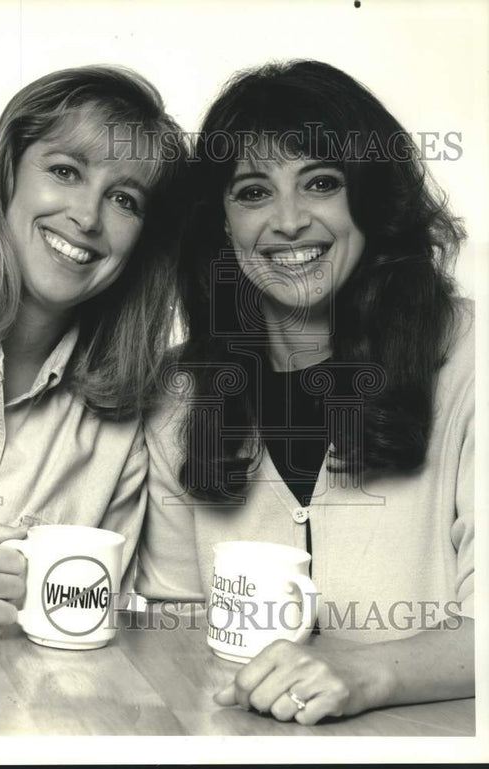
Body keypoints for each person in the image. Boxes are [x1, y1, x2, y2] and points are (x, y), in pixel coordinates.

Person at [136, 60, 474, 724]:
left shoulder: (470, 358)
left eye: (320, 182)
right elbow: (174, 623)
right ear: (223, 226)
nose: (287, 221)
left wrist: (365, 670)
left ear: (372, 201)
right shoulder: (180, 395)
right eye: (253, 192)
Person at [0, 65, 186, 643]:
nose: (87, 217)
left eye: (124, 199)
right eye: (65, 171)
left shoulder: (124, 430)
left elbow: (87, 632)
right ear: (6, 174)